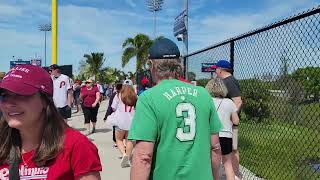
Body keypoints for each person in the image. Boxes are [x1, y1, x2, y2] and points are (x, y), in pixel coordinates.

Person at [128, 38, 222, 180]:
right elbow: (215, 147)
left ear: (152, 65)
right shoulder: (203, 94)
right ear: (178, 65)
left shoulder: (148, 98)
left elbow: (143, 157)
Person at [0, 65, 102, 179]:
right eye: (4, 96)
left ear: (45, 100)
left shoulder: (77, 146)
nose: (9, 104)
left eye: (20, 95)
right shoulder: (3, 144)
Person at [213, 60, 243, 177]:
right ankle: (231, 171)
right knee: (228, 149)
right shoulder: (225, 81)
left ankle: (234, 174)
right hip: (228, 123)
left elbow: (238, 101)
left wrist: (229, 118)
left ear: (220, 69)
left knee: (234, 148)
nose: (215, 71)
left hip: (232, 124)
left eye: (216, 69)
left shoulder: (229, 81)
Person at [206, 78, 240, 180]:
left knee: (214, 166)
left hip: (213, 136)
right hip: (227, 136)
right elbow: (236, 121)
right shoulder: (229, 102)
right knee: (227, 164)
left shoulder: (208, 101)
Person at [108, 83, 137, 168]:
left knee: (119, 139)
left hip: (120, 120)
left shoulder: (118, 95)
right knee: (129, 140)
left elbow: (113, 108)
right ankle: (128, 156)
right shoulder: (135, 96)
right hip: (131, 119)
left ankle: (124, 155)